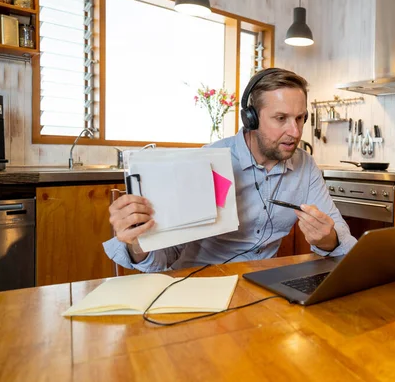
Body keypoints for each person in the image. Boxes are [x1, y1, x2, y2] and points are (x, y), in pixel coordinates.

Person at [104, 68, 357, 272]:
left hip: (262, 284)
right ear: (251, 119)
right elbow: (165, 257)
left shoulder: (305, 166)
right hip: (199, 284)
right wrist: (138, 243)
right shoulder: (206, 163)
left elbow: (343, 242)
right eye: (281, 119)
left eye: (300, 118)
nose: (295, 131)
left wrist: (327, 239)